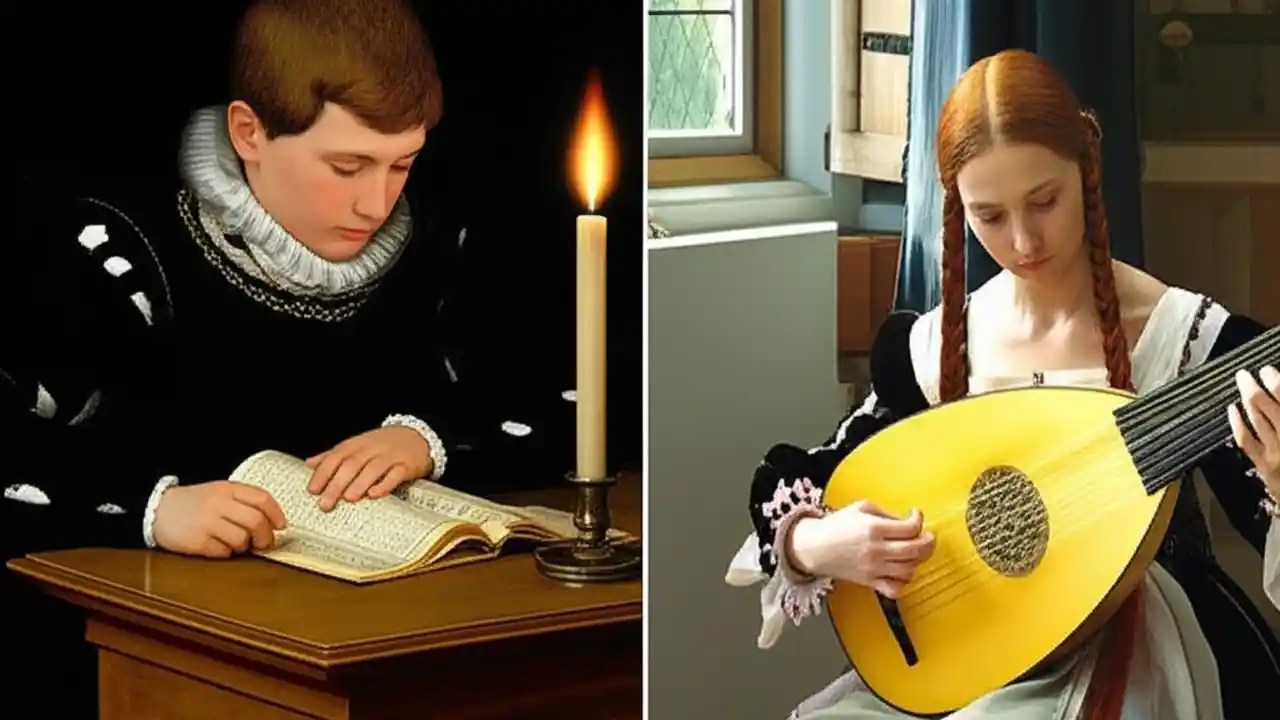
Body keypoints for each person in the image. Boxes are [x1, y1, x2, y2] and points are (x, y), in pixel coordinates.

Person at [1, 0, 566, 713]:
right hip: (166, 659)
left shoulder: (440, 243)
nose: (375, 202)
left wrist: (425, 439)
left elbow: (569, 396)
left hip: (396, 639)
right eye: (347, 165)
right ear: (249, 133)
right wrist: (153, 508)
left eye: (402, 165)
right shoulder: (116, 257)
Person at [725, 49, 1279, 719]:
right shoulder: (934, 347)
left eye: (1044, 201)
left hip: (1134, 652)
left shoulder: (1187, 340)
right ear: (956, 206)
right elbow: (803, 480)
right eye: (989, 216)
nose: (1023, 241)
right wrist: (819, 543)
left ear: (1088, 167)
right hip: (981, 651)